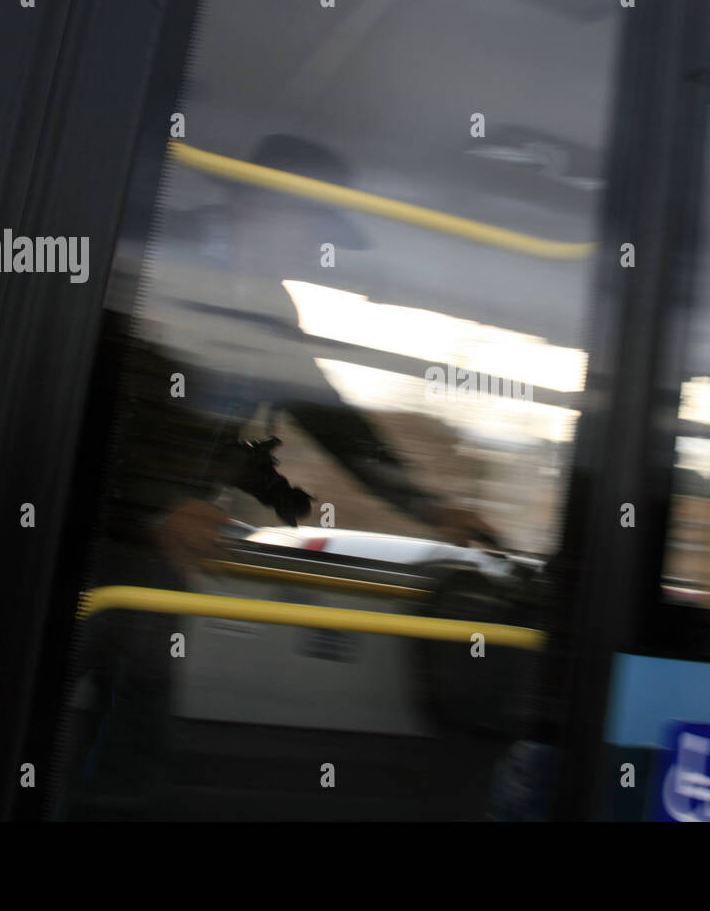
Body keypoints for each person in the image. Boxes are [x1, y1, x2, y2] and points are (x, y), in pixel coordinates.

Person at [58, 135, 495, 816]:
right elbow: (79, 392)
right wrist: (155, 503)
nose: (314, 248)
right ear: (258, 202)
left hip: (162, 545)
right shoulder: (153, 257)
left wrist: (428, 506)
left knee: (137, 718)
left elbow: (330, 415)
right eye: (312, 225)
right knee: (42, 707)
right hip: (85, 528)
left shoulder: (270, 304)